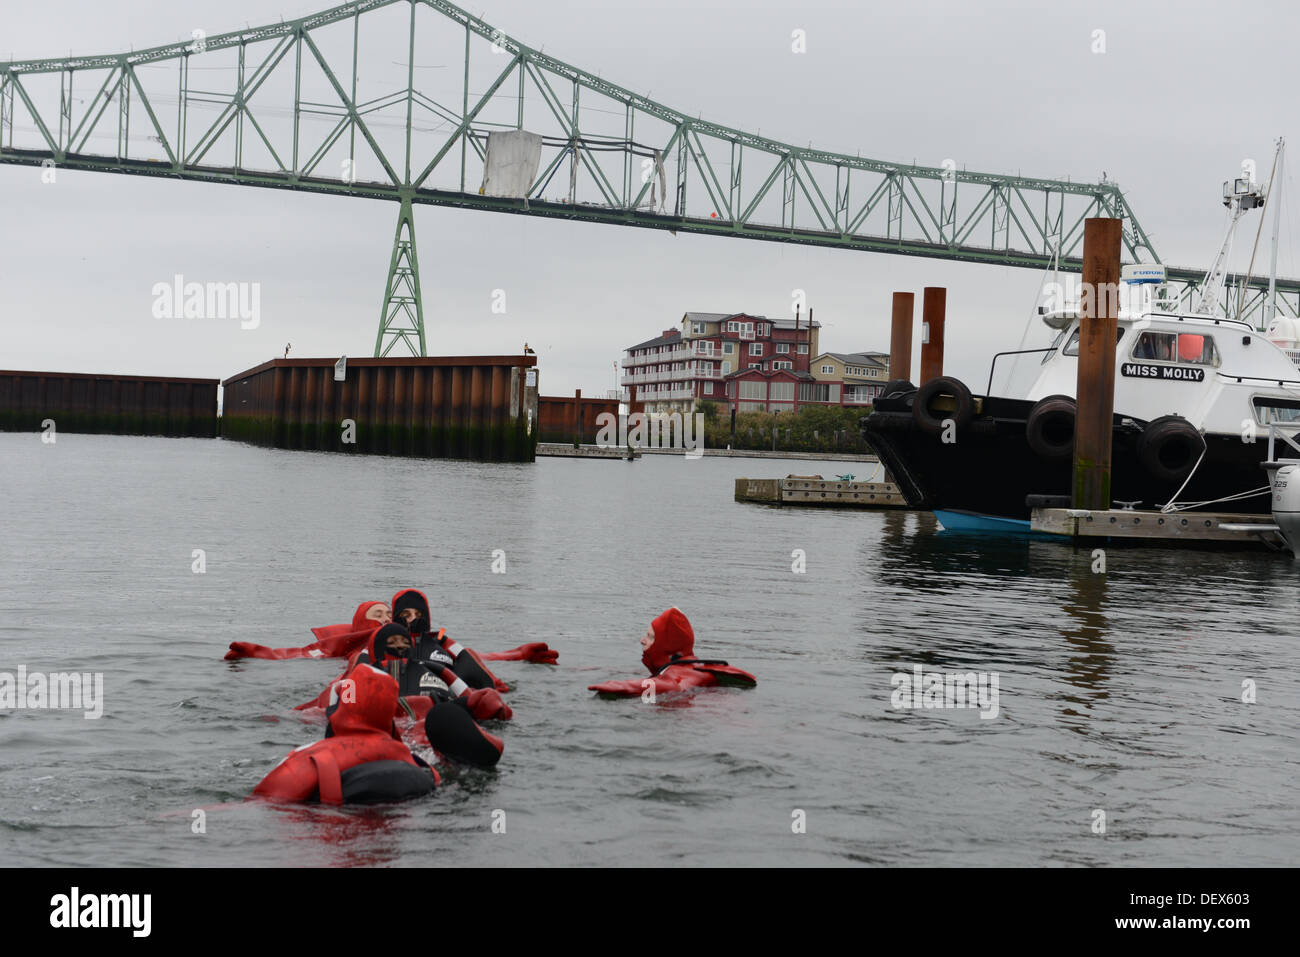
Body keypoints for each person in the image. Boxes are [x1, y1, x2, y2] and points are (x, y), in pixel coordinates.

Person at [253, 663, 438, 804]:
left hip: (328, 834)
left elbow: (263, 803)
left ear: (345, 703)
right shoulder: (416, 759)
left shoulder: (310, 756)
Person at [587, 608, 757, 699]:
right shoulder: (697, 667)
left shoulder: (676, 676)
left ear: (666, 645)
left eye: (650, 636)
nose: (642, 640)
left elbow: (674, 686)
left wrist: (625, 687)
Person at [224, 601, 391, 661]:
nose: (386, 618)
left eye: (389, 615)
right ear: (362, 620)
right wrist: (255, 652)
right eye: (378, 615)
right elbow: (299, 654)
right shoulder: (341, 645)